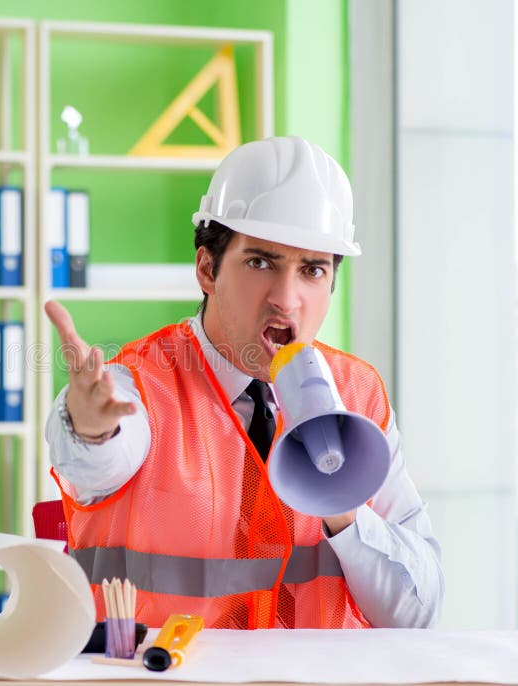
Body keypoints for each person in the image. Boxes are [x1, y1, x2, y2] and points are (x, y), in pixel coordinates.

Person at [44, 136, 444, 630]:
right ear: (207, 270)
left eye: (312, 270)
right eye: (260, 262)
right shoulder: (141, 388)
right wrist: (88, 427)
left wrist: (344, 507)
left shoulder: (359, 397)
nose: (286, 299)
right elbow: (96, 458)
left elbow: (417, 612)